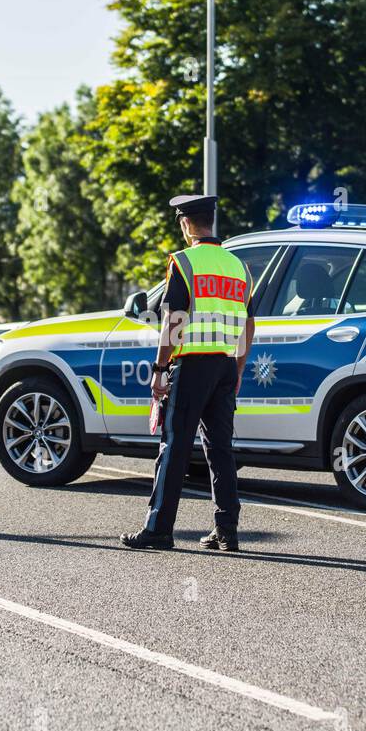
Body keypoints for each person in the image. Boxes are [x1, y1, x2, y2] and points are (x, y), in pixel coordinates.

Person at [121, 194, 256, 552]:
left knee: (174, 446)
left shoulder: (183, 262)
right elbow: (249, 322)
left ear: (185, 225)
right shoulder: (237, 266)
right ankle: (227, 531)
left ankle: (158, 529)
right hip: (226, 365)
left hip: (192, 365)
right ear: (212, 222)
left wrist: (160, 368)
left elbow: (174, 321)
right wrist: (238, 369)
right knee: (220, 450)